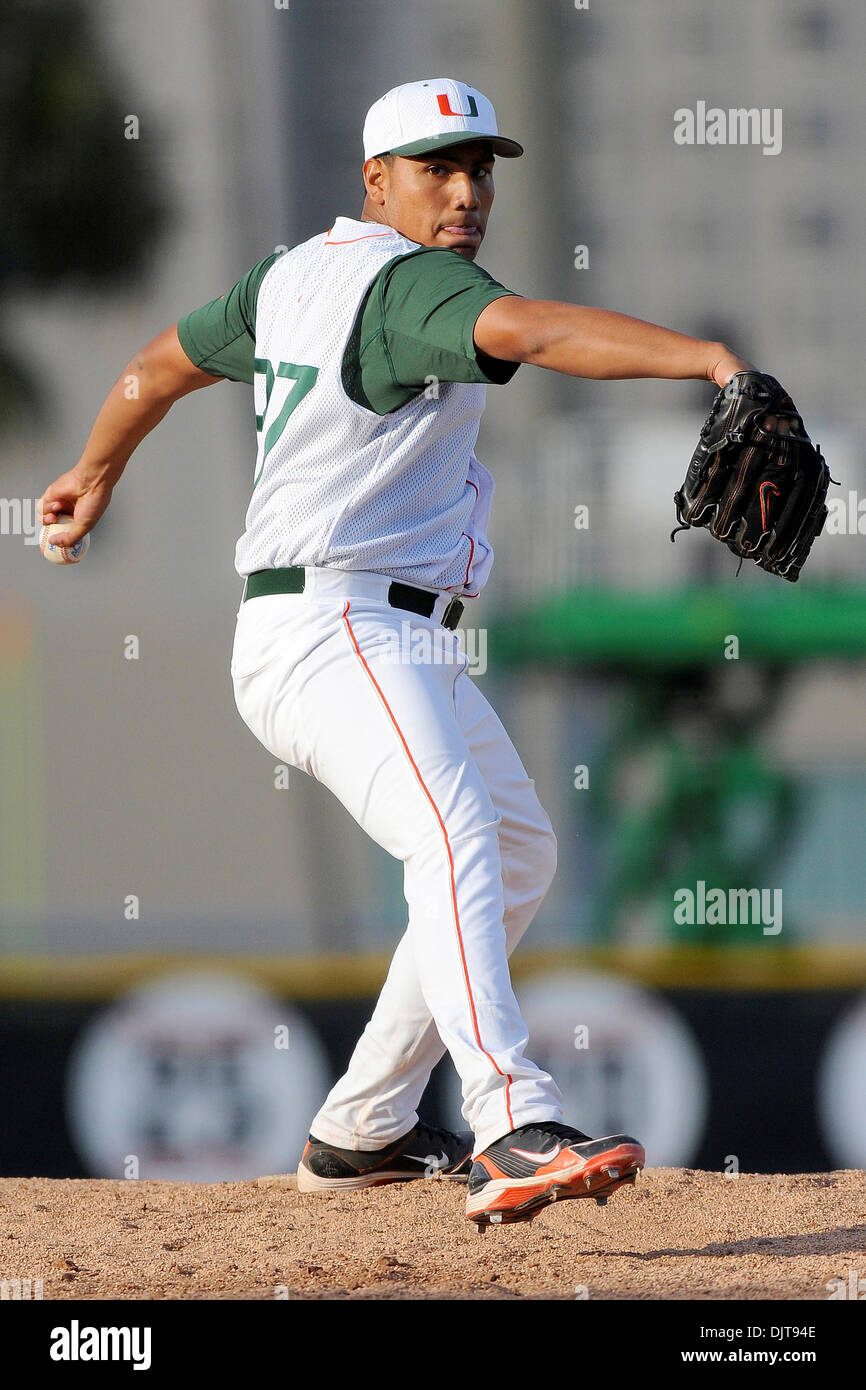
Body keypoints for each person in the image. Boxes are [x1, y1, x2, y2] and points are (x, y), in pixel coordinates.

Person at [39, 78, 752, 1225]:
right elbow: (536, 329)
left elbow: (159, 364)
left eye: (478, 168)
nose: (465, 191)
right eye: (436, 167)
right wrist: (708, 361)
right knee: (459, 832)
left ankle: (361, 1123)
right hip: (339, 627)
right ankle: (510, 1117)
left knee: (513, 848)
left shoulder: (288, 275)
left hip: (364, 633)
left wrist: (97, 466)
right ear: (376, 182)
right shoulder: (411, 281)